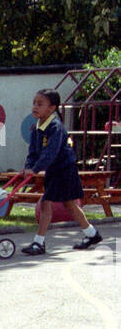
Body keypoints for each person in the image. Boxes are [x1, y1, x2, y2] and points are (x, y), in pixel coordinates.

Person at [21, 90, 101, 255]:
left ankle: (39, 242)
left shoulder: (55, 127)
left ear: (51, 108)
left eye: (40, 104)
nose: (35, 107)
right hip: (55, 170)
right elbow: (33, 152)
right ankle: (92, 234)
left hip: (64, 170)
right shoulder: (37, 128)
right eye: (34, 103)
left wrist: (35, 169)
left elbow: (50, 153)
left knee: (46, 203)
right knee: (69, 204)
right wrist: (29, 165)